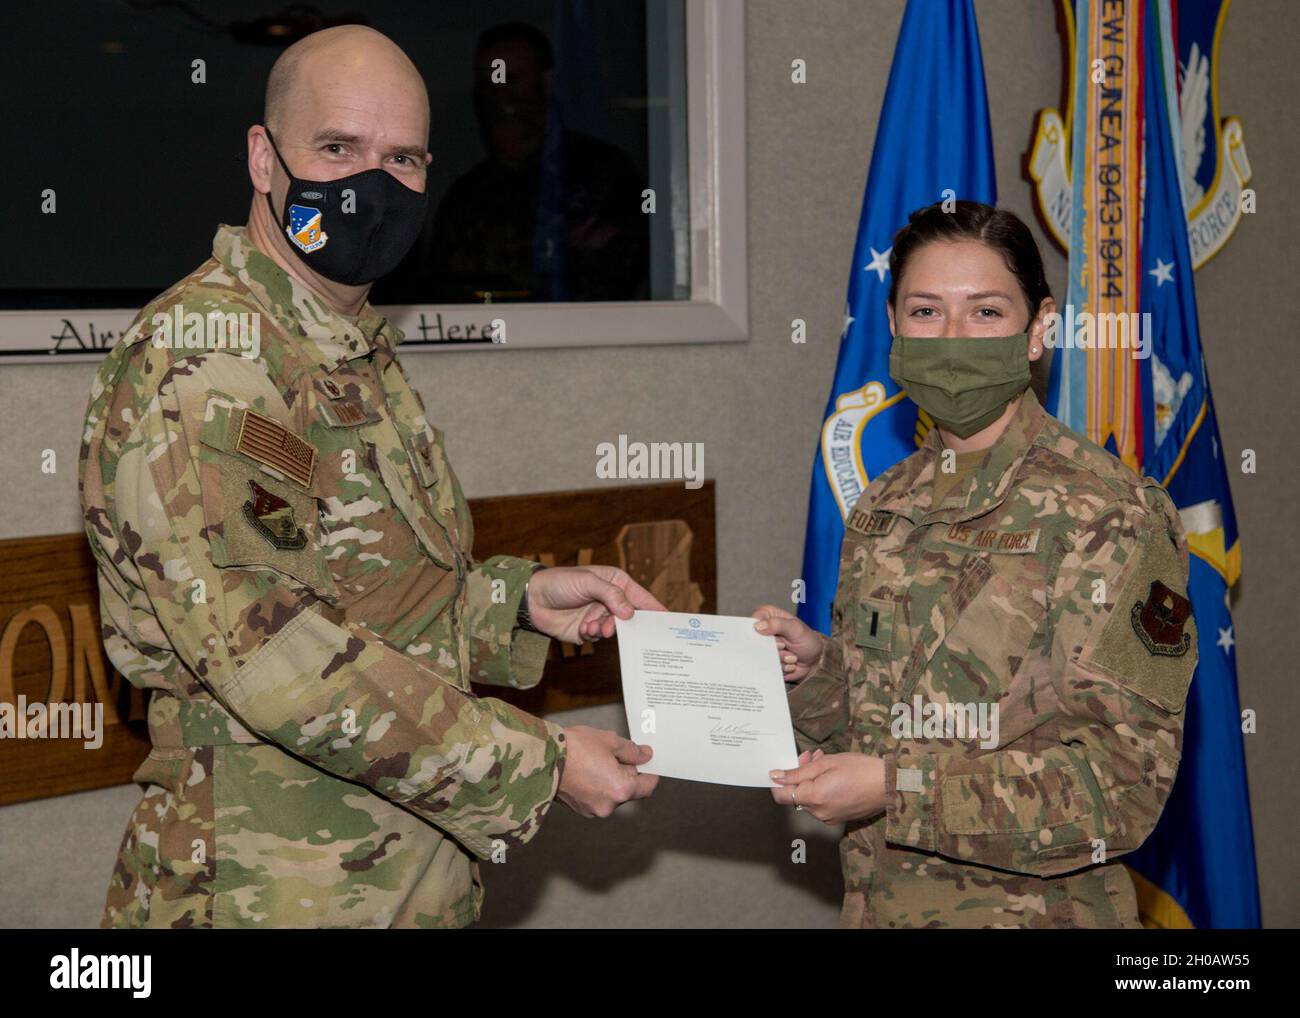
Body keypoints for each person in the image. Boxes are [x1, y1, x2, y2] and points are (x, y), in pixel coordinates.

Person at [79, 25, 660, 929]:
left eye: (404, 160)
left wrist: (515, 602)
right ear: (264, 160)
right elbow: (278, 655)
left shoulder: (349, 350)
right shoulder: (207, 356)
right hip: (268, 888)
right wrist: (534, 763)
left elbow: (379, 601)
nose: (371, 188)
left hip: (405, 881)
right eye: (339, 149)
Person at [754, 201, 1198, 928]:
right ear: (894, 325)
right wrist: (816, 675)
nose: (952, 337)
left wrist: (896, 792)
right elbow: (879, 725)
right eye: (926, 312)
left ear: (1039, 330)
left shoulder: (1109, 513)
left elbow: (1120, 790)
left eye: (986, 312)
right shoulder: (885, 505)